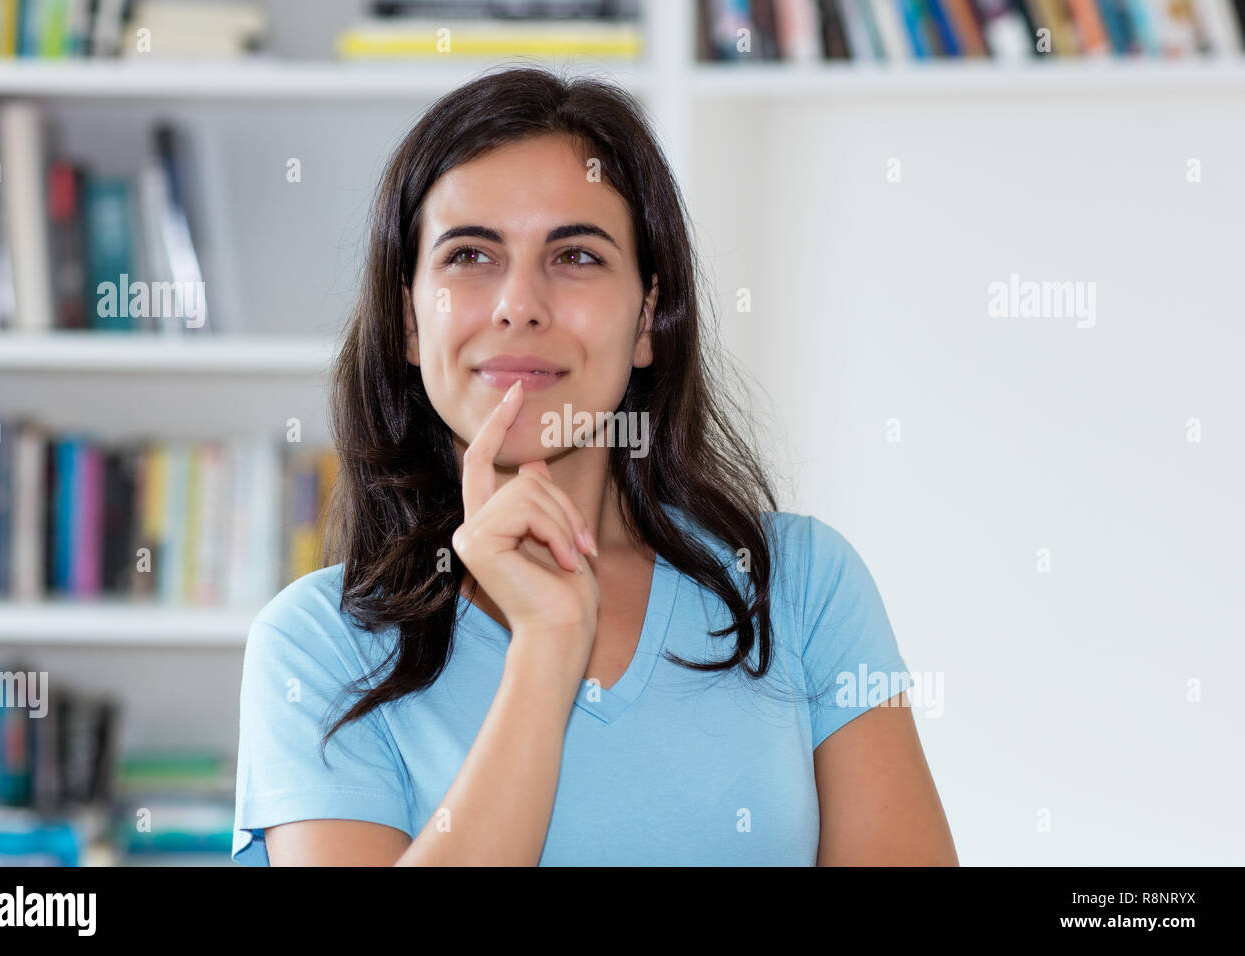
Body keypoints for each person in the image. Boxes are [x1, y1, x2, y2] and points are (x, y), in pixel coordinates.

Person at [232, 66, 958, 866]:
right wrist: (546, 648)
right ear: (410, 322)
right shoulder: (316, 648)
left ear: (648, 317)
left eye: (575, 255)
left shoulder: (804, 587)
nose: (520, 303)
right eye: (471, 255)